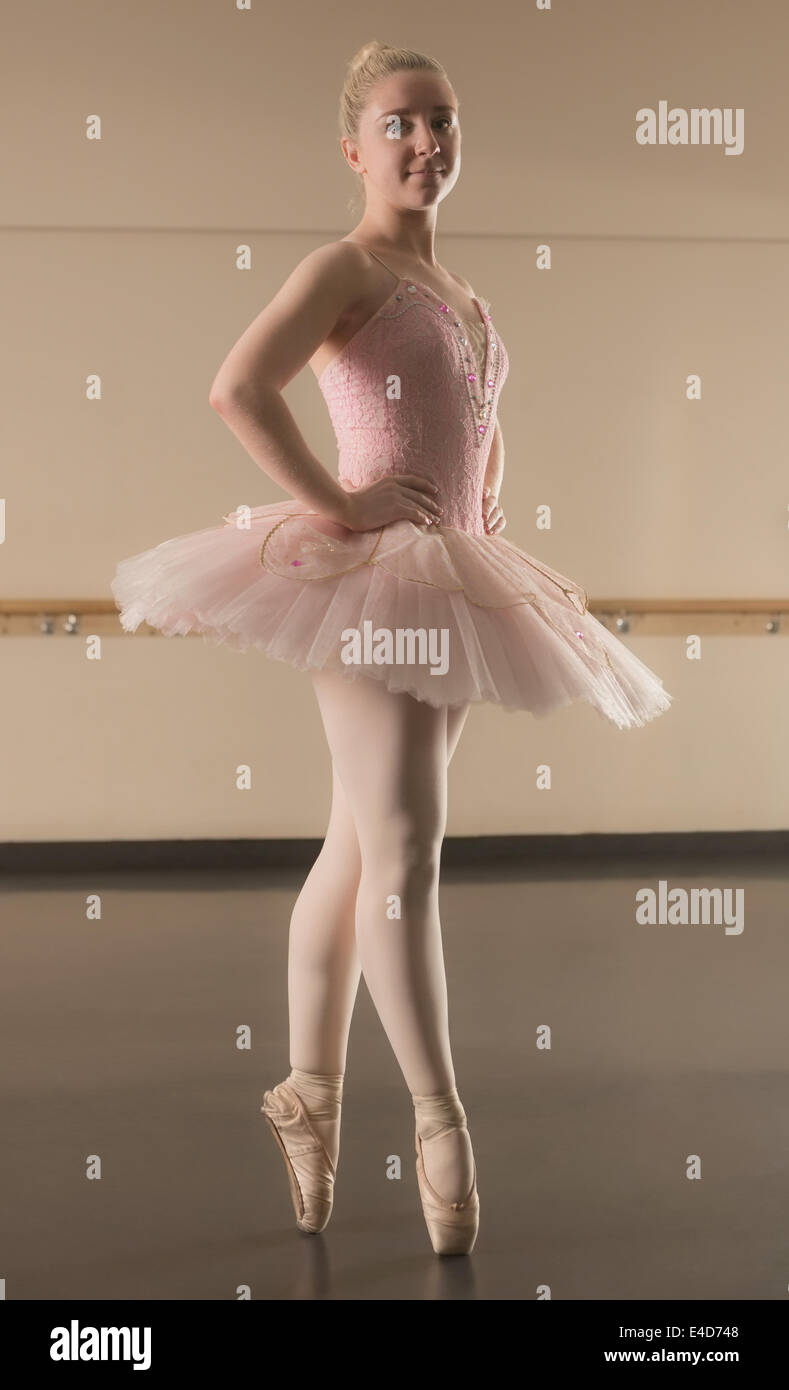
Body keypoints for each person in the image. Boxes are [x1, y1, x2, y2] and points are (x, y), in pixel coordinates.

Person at [112, 40, 672, 1256]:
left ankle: (306, 1094)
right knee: (407, 843)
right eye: (402, 123)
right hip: (369, 578)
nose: (427, 142)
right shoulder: (343, 267)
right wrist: (343, 499)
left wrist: (486, 501)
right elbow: (238, 388)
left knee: (361, 838)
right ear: (355, 147)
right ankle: (438, 1116)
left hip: (456, 566)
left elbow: (470, 416)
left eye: (444, 122)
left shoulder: (467, 296)